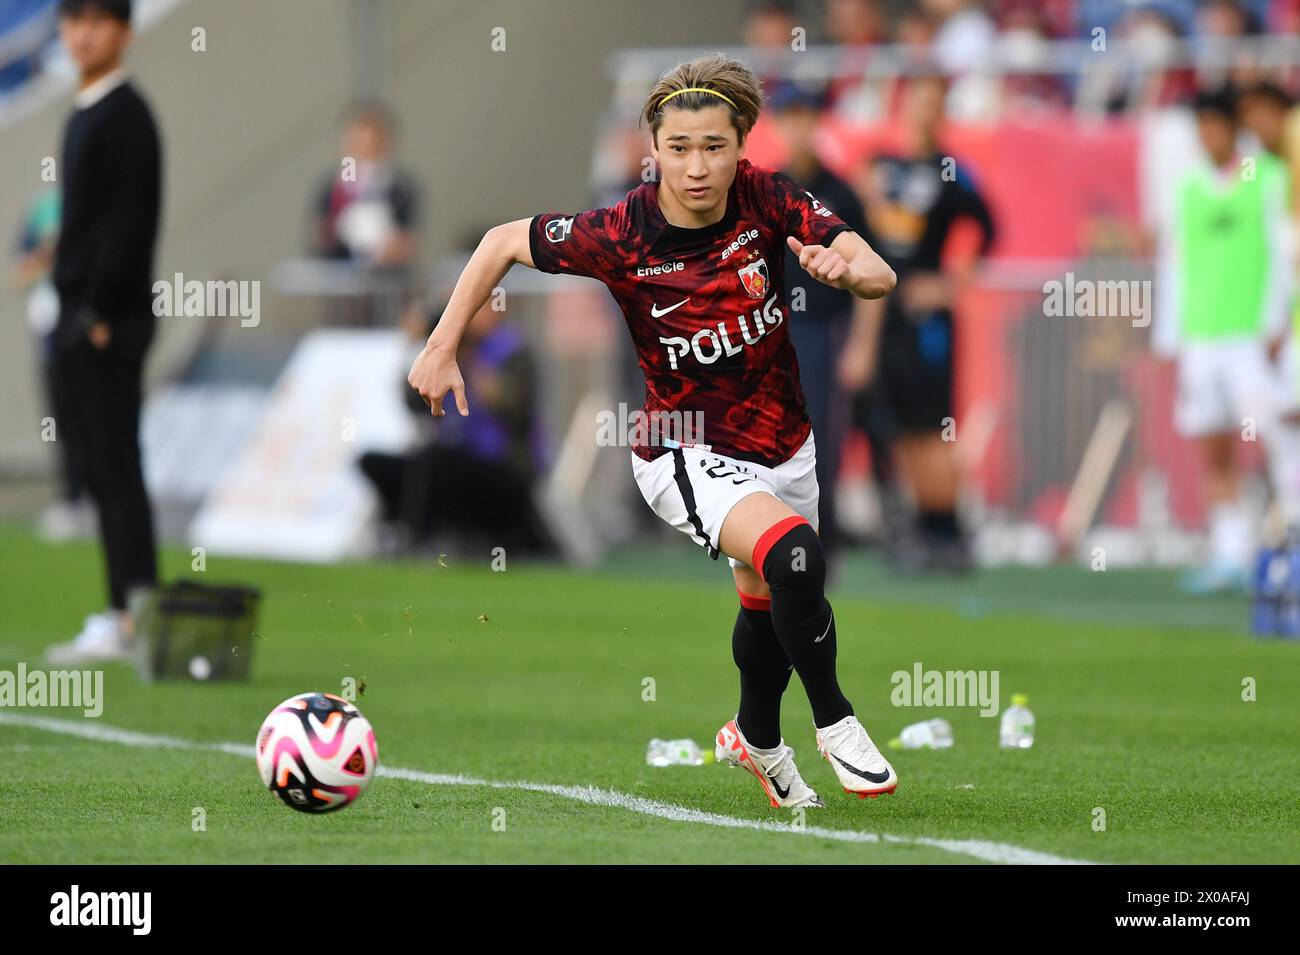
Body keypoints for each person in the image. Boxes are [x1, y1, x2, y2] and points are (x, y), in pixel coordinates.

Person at [408, 53, 899, 809]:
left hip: (784, 440)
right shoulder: (619, 231)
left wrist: (850, 270)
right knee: (797, 559)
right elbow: (502, 241)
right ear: (654, 149)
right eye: (679, 148)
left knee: (766, 594)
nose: (697, 166)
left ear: (741, 146)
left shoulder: (769, 199)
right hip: (686, 447)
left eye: (713, 146)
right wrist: (442, 345)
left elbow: (876, 269)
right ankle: (836, 721)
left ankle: (756, 738)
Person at [45, 0, 163, 664]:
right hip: (76, 317)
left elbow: (127, 225)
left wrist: (93, 311)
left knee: (118, 468)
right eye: (72, 18)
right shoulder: (85, 109)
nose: (82, 32)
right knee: (100, 468)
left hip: (107, 322)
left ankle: (131, 613)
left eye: (97, 19)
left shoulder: (127, 115)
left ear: (123, 29)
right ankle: (124, 606)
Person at [1153, 86, 1297, 592]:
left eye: (1216, 125)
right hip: (1201, 337)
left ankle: (1290, 544)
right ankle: (1230, 552)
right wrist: (1168, 337)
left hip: (1250, 339)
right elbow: (1176, 261)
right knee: (1215, 447)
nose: (1209, 135)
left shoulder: (1269, 179)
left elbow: (1282, 255)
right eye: (1202, 127)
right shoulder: (1190, 187)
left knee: (1278, 439)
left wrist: (1274, 322)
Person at [857, 73, 995, 571]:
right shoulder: (880, 168)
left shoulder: (952, 172)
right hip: (888, 314)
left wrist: (949, 285)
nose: (923, 112)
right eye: (917, 100)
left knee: (934, 426)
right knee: (904, 428)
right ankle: (924, 527)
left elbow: (989, 228)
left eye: (934, 104)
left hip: (929, 320)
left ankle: (950, 531)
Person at [770, 80, 873, 570]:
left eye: (807, 118)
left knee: (821, 445)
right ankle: (773, 548)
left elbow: (871, 274)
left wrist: (862, 346)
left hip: (823, 333)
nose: (800, 129)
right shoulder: (768, 191)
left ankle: (819, 555)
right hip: (773, 333)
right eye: (791, 118)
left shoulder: (841, 194)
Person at [359, 297, 552, 556]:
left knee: (442, 462)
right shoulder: (448, 355)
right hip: (450, 457)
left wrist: (473, 364)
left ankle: (431, 540)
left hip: (505, 464)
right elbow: (412, 401)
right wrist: (420, 347)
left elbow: (518, 410)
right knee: (379, 462)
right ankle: (405, 537)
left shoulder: (511, 349)